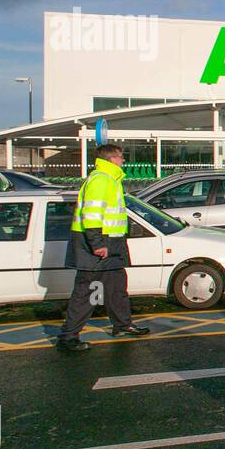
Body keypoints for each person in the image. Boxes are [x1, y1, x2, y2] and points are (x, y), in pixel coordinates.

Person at [55, 144, 149, 352]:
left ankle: (122, 325)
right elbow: (92, 215)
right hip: (98, 247)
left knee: (117, 288)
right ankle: (68, 336)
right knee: (87, 293)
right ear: (112, 159)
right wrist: (97, 244)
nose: (123, 160)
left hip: (111, 244)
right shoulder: (101, 180)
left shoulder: (110, 180)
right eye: (121, 157)